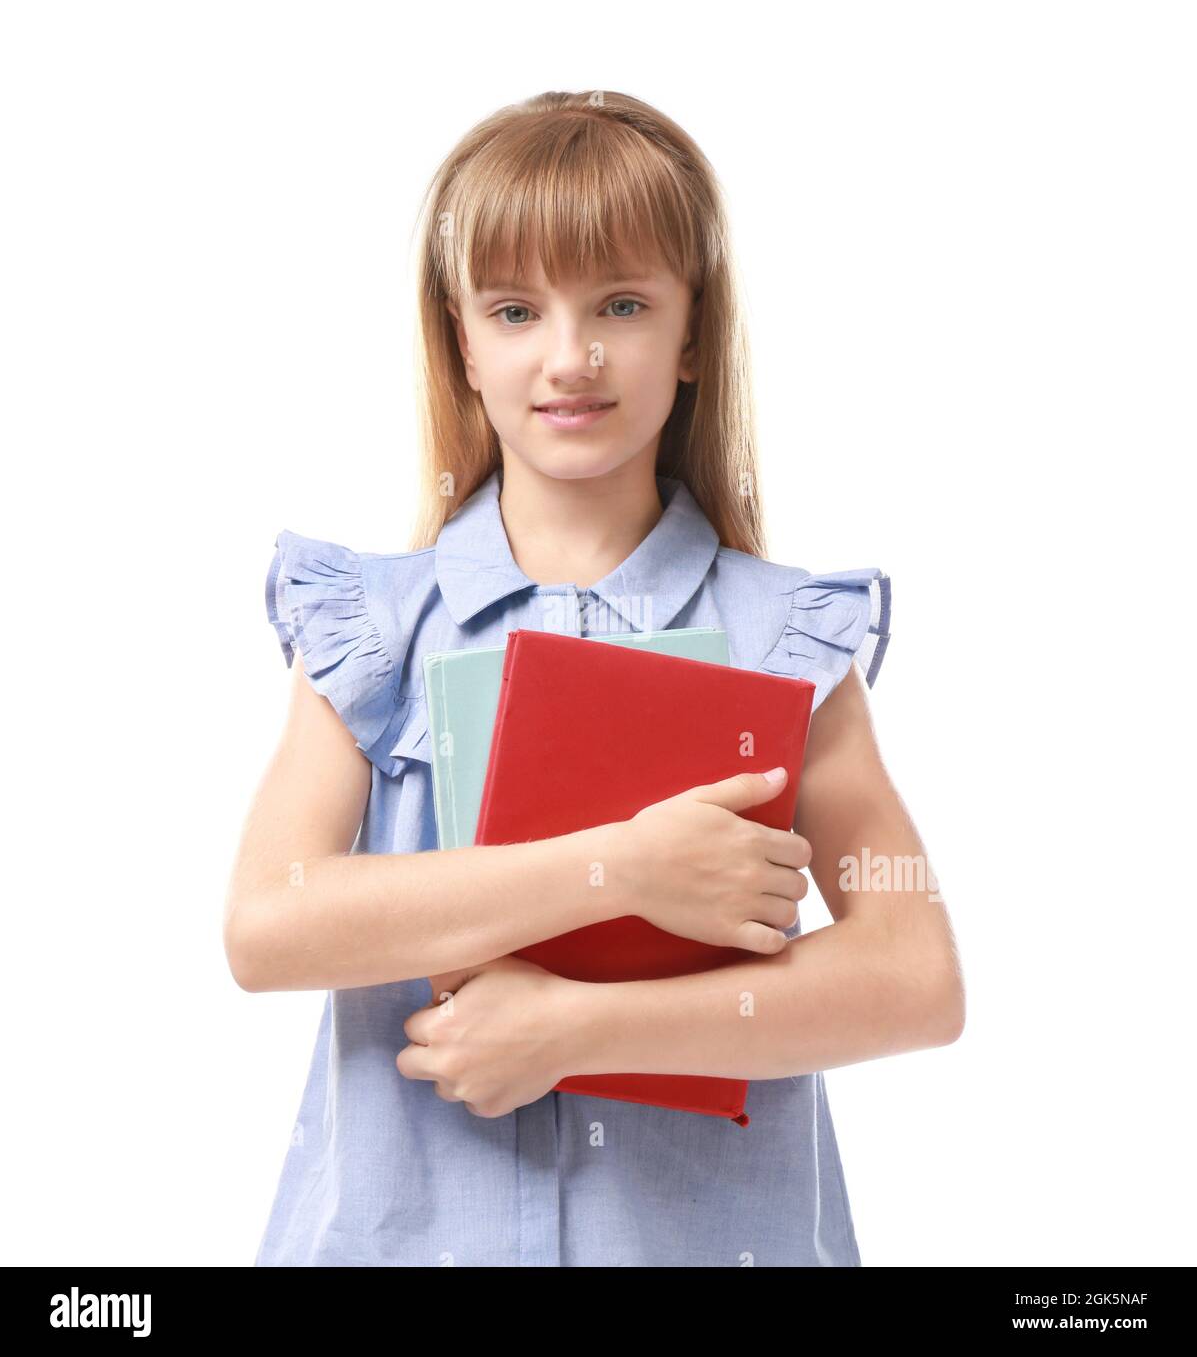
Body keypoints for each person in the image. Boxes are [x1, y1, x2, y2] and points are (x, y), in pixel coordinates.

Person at [226, 88, 965, 1267]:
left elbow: (915, 973)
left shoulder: (786, 637)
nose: (571, 357)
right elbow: (268, 925)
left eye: (621, 303)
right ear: (463, 340)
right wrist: (619, 867)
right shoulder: (371, 628)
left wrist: (579, 1027)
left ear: (690, 336)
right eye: (517, 310)